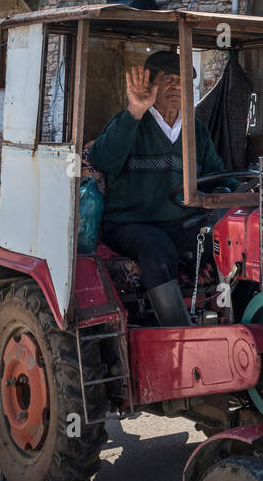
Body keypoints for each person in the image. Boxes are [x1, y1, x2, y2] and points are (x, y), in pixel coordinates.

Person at [88, 49, 236, 325]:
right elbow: (102, 161)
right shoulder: (130, 123)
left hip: (182, 221)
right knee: (157, 247)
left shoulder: (196, 131)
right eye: (168, 80)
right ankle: (175, 326)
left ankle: (231, 318)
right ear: (149, 85)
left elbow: (218, 176)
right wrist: (135, 111)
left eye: (183, 82)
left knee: (230, 240)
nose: (176, 88)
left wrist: (243, 193)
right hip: (128, 224)